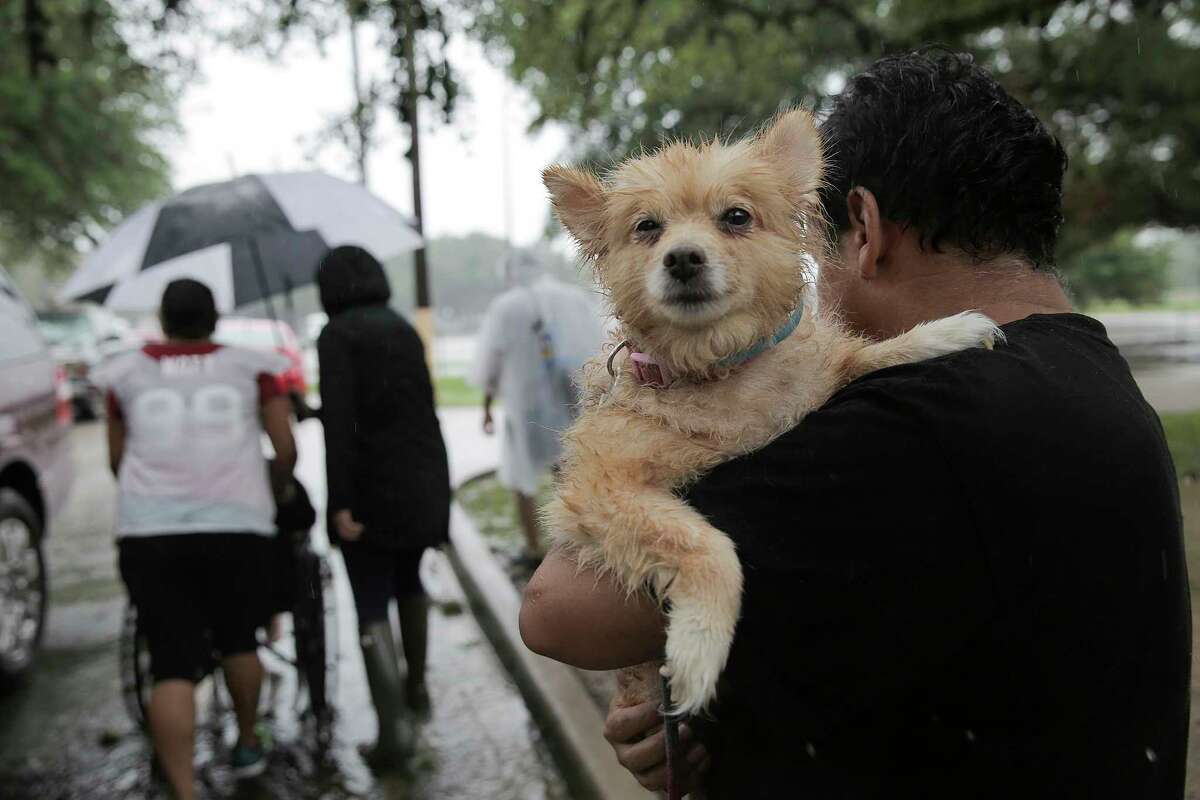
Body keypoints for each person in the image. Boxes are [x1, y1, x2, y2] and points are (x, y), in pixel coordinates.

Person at [518, 50, 1191, 799]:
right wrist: (697, 709)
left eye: (744, 221)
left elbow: (559, 611)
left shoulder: (915, 423)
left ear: (864, 229)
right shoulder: (1093, 376)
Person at [100, 279, 296, 799]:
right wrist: (272, 490)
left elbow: (116, 460)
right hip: (238, 525)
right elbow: (284, 448)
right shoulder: (255, 367)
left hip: (150, 531)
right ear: (215, 318)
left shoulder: (122, 372)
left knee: (169, 661)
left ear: (164, 320)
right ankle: (248, 741)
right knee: (239, 639)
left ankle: (184, 790)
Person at [315, 245, 451, 765]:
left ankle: (393, 733)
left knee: (370, 599)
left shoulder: (337, 335)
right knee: (409, 580)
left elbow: (342, 426)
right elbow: (415, 409)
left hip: (370, 489)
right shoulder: (401, 328)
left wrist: (341, 502)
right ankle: (416, 691)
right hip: (419, 481)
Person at [472, 249, 604, 565]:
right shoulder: (572, 298)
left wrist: (487, 406)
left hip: (524, 404)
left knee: (523, 474)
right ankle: (576, 542)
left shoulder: (505, 307)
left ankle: (533, 547)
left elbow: (490, 362)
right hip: (570, 399)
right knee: (569, 468)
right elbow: (599, 345)